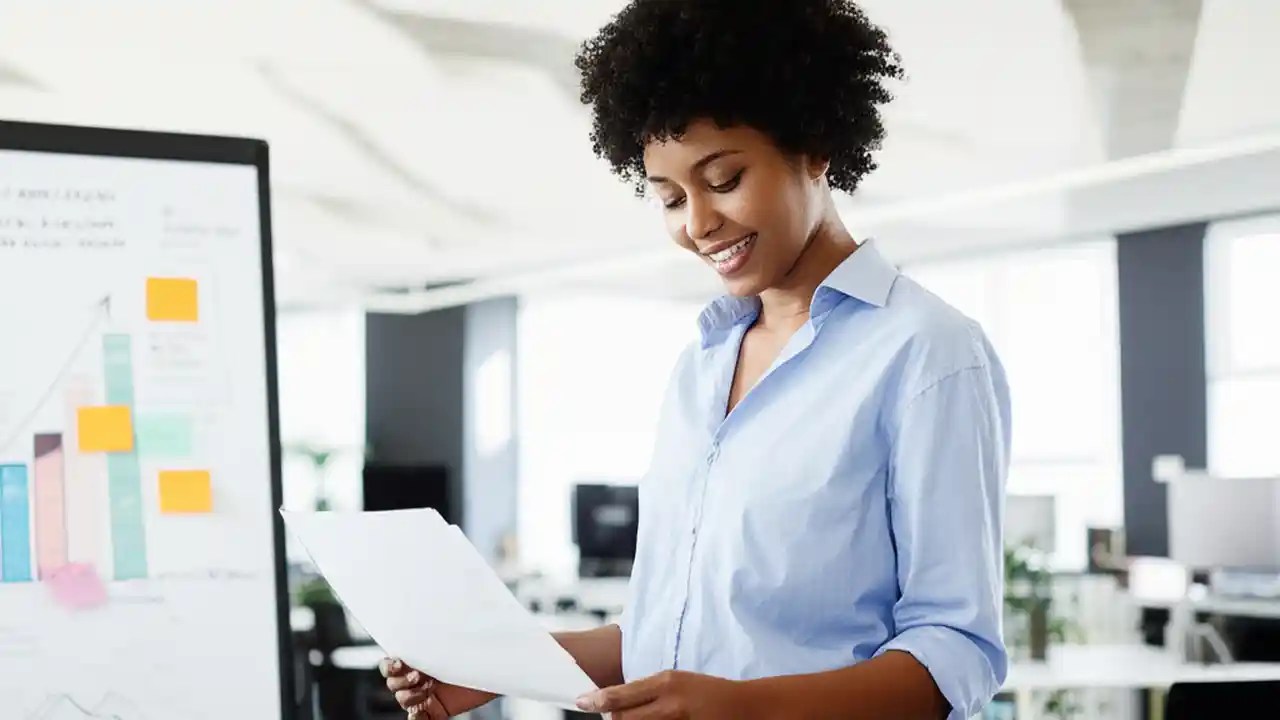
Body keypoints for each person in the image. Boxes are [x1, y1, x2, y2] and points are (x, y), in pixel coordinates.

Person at [382, 1, 1010, 718]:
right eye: (671, 198)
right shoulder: (702, 366)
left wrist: (744, 708)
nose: (698, 224)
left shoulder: (928, 354)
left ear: (814, 146)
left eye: (724, 180)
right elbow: (664, 633)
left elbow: (956, 652)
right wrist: (491, 666)